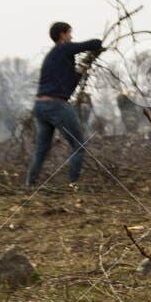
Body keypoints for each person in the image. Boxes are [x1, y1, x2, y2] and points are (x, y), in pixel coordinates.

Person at [26, 22, 102, 187]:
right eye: (69, 33)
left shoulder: (53, 57)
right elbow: (94, 44)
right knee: (79, 144)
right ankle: (72, 185)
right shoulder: (63, 48)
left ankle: (29, 185)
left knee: (41, 150)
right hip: (56, 105)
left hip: (40, 106)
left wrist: (80, 71)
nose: (71, 37)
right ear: (62, 35)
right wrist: (98, 47)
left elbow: (68, 88)